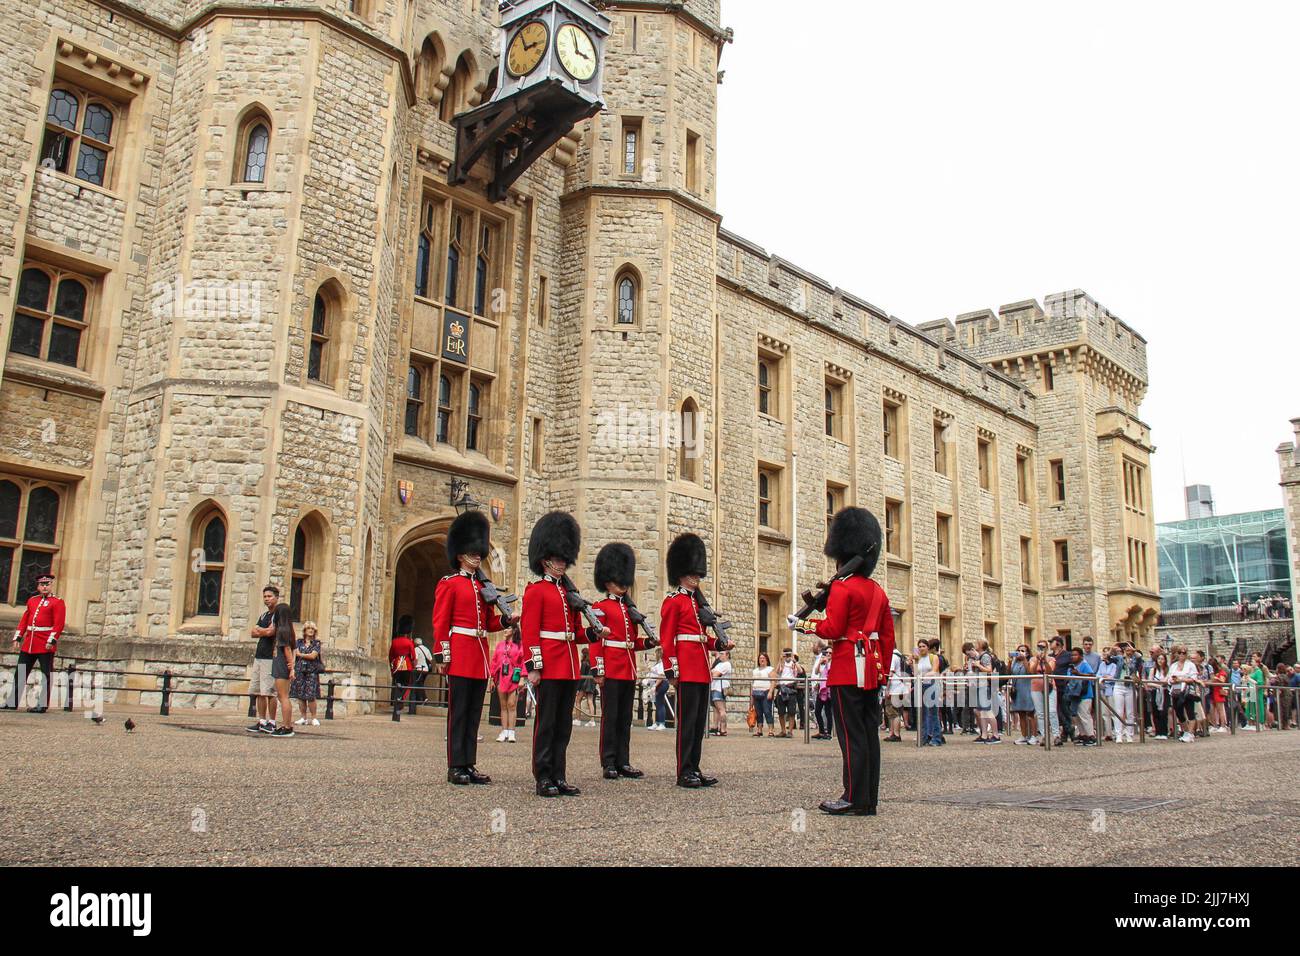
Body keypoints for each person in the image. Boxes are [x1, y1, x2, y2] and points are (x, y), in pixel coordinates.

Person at [792, 507, 894, 815]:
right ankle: (867, 799)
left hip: (848, 669)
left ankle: (852, 795)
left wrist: (803, 624)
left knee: (849, 735)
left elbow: (834, 629)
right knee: (868, 735)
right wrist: (884, 674)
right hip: (872, 671)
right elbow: (888, 639)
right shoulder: (877, 591)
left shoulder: (842, 586)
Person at [522, 511, 607, 797]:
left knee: (563, 726)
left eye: (563, 560)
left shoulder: (570, 594)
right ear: (545, 560)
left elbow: (577, 633)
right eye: (557, 560)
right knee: (546, 724)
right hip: (549, 664)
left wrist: (595, 633)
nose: (561, 564)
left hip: (569, 665)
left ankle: (559, 774)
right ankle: (543, 775)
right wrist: (534, 665)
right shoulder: (536, 591)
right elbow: (531, 631)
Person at [433, 510, 511, 786]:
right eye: (472, 552)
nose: (478, 557)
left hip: (478, 655)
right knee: (459, 713)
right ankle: (456, 765)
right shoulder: (449, 584)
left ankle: (469, 762)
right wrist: (442, 654)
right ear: (460, 555)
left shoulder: (482, 586)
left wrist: (507, 619)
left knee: (474, 713)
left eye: (479, 553)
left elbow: (488, 623)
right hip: (461, 651)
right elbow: (441, 622)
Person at [661, 532, 733, 788]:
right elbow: (668, 640)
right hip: (688, 671)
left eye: (698, 574)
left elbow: (702, 640)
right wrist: (673, 670)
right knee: (687, 724)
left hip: (702, 670)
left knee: (699, 723)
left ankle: (695, 766)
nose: (696, 577)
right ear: (681, 573)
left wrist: (721, 644)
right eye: (693, 573)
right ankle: (684, 771)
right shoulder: (674, 602)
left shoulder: (698, 605)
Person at [590, 542, 653, 777]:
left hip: (627, 669)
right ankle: (608, 762)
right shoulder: (600, 607)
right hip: (612, 668)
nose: (623, 585)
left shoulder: (630, 611)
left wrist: (647, 643)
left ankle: (623, 760)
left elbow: (632, 643)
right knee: (611, 717)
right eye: (619, 580)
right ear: (608, 582)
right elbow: (596, 641)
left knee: (625, 718)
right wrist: (599, 668)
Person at [5, 573, 65, 712]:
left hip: (45, 644)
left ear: (51, 585)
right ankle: (12, 702)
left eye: (47, 584)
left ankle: (42, 705)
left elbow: (59, 624)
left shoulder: (57, 602)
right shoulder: (32, 600)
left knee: (46, 675)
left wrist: (51, 640)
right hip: (29, 643)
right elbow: (25, 619)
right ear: (38, 586)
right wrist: (18, 637)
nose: (45, 587)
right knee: (20, 673)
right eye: (42, 585)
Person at [246, 586, 280, 734]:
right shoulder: (264, 615)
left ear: (276, 597)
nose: (267, 599)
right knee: (259, 691)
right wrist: (263, 631)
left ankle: (272, 722)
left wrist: (262, 631)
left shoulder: (277, 615)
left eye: (269, 596)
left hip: (270, 657)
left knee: (270, 691)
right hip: (259, 655)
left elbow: (272, 631)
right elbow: (253, 632)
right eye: (265, 596)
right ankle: (262, 721)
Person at [491, 631, 526, 742]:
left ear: (514, 630)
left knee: (511, 705)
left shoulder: (520, 645)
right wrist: (492, 677)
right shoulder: (500, 645)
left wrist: (522, 678)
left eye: (508, 628)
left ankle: (512, 732)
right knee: (503, 706)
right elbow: (494, 661)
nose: (505, 630)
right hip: (501, 677)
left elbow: (523, 661)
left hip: (514, 677)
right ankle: (504, 731)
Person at [269, 603, 296, 737]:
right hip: (280, 665)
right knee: (282, 696)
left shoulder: (282, 631)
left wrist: (291, 668)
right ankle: (286, 725)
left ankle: (287, 726)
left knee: (283, 696)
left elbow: (287, 650)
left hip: (281, 666)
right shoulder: (286, 630)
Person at [290, 621, 323, 726]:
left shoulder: (316, 643)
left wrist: (300, 654)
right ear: (304, 630)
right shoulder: (298, 642)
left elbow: (313, 656)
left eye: (313, 629)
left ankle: (314, 717)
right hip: (299, 670)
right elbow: (294, 655)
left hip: (311, 671)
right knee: (300, 695)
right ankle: (303, 717)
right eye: (309, 628)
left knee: (311, 695)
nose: (311, 630)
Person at [1064, 648, 1097, 746]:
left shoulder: (1084, 664)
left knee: (1084, 715)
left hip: (1084, 694)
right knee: (1076, 715)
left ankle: (1091, 735)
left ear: (1081, 656)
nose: (1073, 657)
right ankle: (1083, 735)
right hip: (1074, 694)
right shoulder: (1071, 667)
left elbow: (1092, 675)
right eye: (1072, 655)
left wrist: (1079, 674)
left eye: (1075, 655)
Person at [1027, 639, 1057, 746]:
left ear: (1047, 648)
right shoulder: (1032, 659)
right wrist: (1037, 660)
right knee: (1040, 713)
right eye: (1039, 646)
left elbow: (1050, 671)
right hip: (1036, 686)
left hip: (1049, 687)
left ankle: (1056, 735)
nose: (1041, 649)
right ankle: (1044, 735)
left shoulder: (1051, 659)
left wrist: (1044, 660)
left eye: (1043, 647)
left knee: (1052, 711)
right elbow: (1031, 671)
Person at [1167, 646, 1199, 743]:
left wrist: (1181, 679)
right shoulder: (1173, 666)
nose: (1181, 655)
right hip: (1176, 691)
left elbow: (1193, 678)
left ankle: (1190, 733)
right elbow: (1169, 677)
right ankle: (1186, 731)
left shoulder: (1190, 665)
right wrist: (1172, 680)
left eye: (1183, 653)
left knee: (1190, 712)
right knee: (1179, 712)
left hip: (1186, 691)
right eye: (1180, 653)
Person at [971, 638, 1000, 743]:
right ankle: (984, 734)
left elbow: (989, 670)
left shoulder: (985, 656)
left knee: (987, 711)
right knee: (981, 711)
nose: (975, 645)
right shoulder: (979, 656)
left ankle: (996, 735)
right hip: (979, 685)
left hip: (984, 685)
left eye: (976, 643)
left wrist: (978, 665)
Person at [1008, 644, 1035, 744]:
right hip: (1018, 688)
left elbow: (1029, 672)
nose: (1020, 652)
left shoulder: (1030, 660)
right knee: (1021, 713)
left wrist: (1024, 660)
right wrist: (1010, 661)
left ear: (1027, 653)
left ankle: (1033, 735)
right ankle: (1024, 735)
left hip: (1027, 688)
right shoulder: (1015, 662)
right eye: (1019, 650)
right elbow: (1009, 672)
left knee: (1030, 713)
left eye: (1023, 651)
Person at [388, 616, 416, 711]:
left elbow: (391, 656)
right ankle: (401, 699)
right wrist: (414, 665)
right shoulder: (409, 642)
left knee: (398, 684)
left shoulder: (394, 641)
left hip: (396, 665)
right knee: (408, 684)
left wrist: (392, 667)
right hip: (407, 665)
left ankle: (397, 699)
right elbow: (413, 657)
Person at [884, 643, 908, 742]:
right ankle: (893, 733)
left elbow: (890, 673)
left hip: (894, 687)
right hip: (901, 686)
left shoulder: (893, 656)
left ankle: (895, 734)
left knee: (892, 711)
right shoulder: (901, 656)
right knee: (897, 711)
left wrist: (887, 689)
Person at [774, 648, 799, 738]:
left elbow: (800, 671)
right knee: (781, 711)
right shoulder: (782, 663)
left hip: (790, 687)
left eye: (788, 655)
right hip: (782, 688)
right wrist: (781, 660)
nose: (787, 657)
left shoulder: (793, 663)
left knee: (791, 712)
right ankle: (783, 730)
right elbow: (776, 672)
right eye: (786, 655)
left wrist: (794, 660)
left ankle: (790, 731)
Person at [751, 652, 775, 737]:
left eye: (764, 658)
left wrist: (771, 692)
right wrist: (751, 697)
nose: (762, 659)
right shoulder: (755, 670)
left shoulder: (770, 669)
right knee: (758, 712)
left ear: (767, 660)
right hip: (756, 692)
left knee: (767, 711)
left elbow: (773, 681)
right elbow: (752, 683)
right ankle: (759, 730)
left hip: (766, 692)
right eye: (760, 658)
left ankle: (771, 730)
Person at [1148, 650, 1170, 739]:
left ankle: (1164, 732)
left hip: (1164, 691)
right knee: (1155, 711)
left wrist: (1161, 684)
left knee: (1164, 712)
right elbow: (1149, 682)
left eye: (1162, 659)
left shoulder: (1168, 670)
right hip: (1155, 691)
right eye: (1159, 659)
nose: (1160, 661)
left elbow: (1166, 681)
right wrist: (1157, 685)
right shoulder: (1153, 670)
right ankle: (1158, 732)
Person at [811, 646, 833, 740]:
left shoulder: (833, 663)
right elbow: (816, 672)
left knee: (828, 712)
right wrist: (820, 662)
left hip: (828, 691)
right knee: (817, 711)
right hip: (821, 689)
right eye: (826, 653)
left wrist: (827, 662)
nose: (827, 654)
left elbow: (830, 672)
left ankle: (828, 732)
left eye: (830, 653)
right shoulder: (823, 663)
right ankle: (821, 731)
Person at [709, 651, 732, 737]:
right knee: (716, 710)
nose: (720, 655)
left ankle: (723, 729)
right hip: (714, 687)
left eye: (722, 654)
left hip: (720, 688)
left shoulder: (727, 664)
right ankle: (715, 727)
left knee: (721, 709)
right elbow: (710, 672)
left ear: (727, 655)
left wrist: (712, 673)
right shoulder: (719, 664)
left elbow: (715, 674)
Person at [574, 648, 597, 728]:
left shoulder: (584, 663)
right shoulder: (591, 663)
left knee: (578, 701)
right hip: (591, 684)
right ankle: (592, 720)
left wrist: (577, 688)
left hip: (584, 685)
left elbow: (581, 676)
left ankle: (578, 719)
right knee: (590, 701)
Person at [647, 651, 669, 731]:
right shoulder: (658, 664)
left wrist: (655, 686)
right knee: (657, 703)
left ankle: (662, 723)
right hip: (655, 683)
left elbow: (661, 675)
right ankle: (657, 722)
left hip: (661, 683)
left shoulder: (662, 663)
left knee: (660, 703)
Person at [1208, 656, 1228, 733]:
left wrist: (1216, 678)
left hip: (1218, 691)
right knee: (1212, 709)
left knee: (1220, 709)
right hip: (1212, 691)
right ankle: (1214, 725)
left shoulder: (1221, 672)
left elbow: (1222, 681)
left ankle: (1223, 725)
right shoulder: (1212, 673)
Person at [412, 636, 434, 704]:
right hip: (426, 669)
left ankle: (424, 698)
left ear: (415, 643)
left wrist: (413, 667)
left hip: (419, 669)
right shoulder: (426, 649)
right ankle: (420, 700)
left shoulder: (416, 649)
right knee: (420, 683)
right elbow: (430, 659)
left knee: (418, 684)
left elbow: (416, 659)